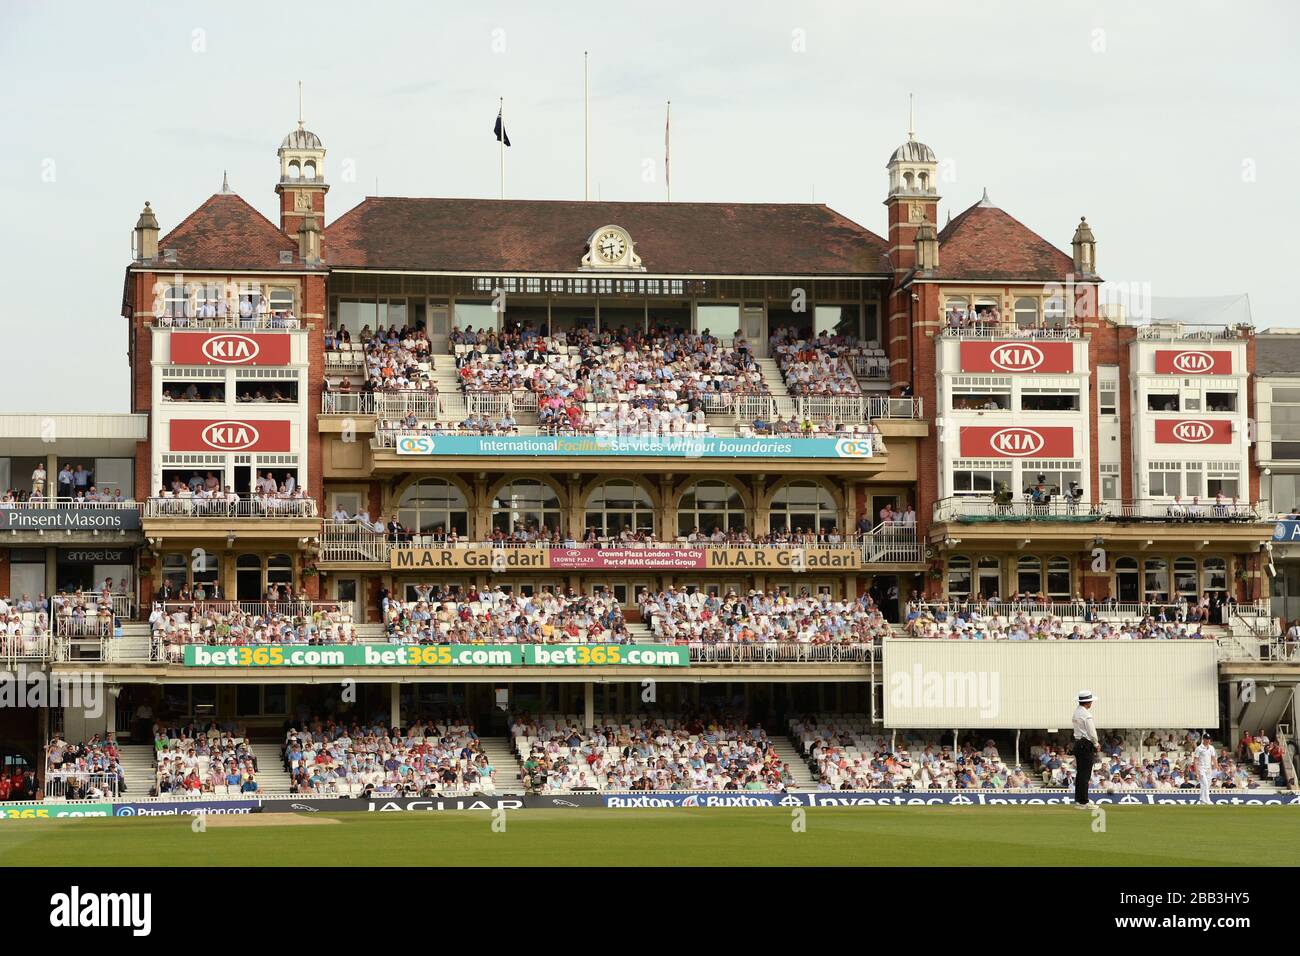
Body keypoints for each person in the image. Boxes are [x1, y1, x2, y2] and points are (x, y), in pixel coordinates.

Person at [1071, 689, 1099, 808]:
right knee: (1085, 774)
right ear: (1088, 702)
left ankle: (1079, 800)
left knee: (1080, 773)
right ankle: (1084, 801)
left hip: (1078, 743)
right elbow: (1091, 732)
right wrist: (1096, 743)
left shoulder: (1076, 713)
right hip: (1086, 744)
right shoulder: (1086, 715)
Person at [1193, 733, 1216, 805]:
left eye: (1209, 739)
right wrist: (1196, 772)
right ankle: (1207, 800)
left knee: (1206, 784)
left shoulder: (1211, 748)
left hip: (1208, 769)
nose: (1208, 740)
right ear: (1203, 739)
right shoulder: (1199, 748)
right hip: (1201, 769)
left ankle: (1202, 800)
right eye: (1206, 739)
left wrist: (1216, 766)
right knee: (1205, 784)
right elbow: (1195, 760)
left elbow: (1213, 758)